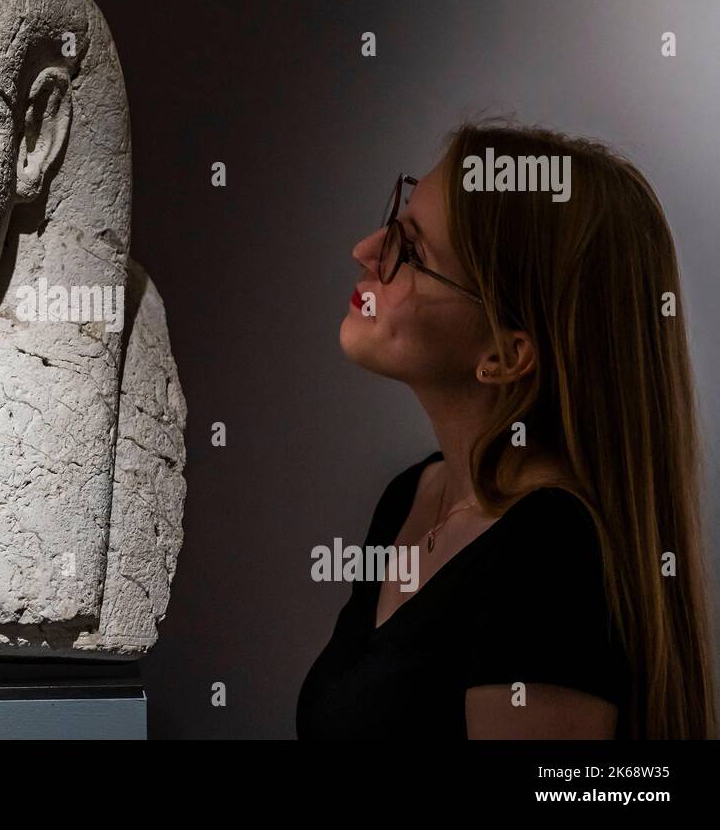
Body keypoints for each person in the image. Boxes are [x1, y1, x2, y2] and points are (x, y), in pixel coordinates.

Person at [297, 120, 715, 739]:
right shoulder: (413, 496)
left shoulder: (549, 554)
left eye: (411, 252)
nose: (366, 249)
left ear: (504, 354)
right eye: (396, 215)